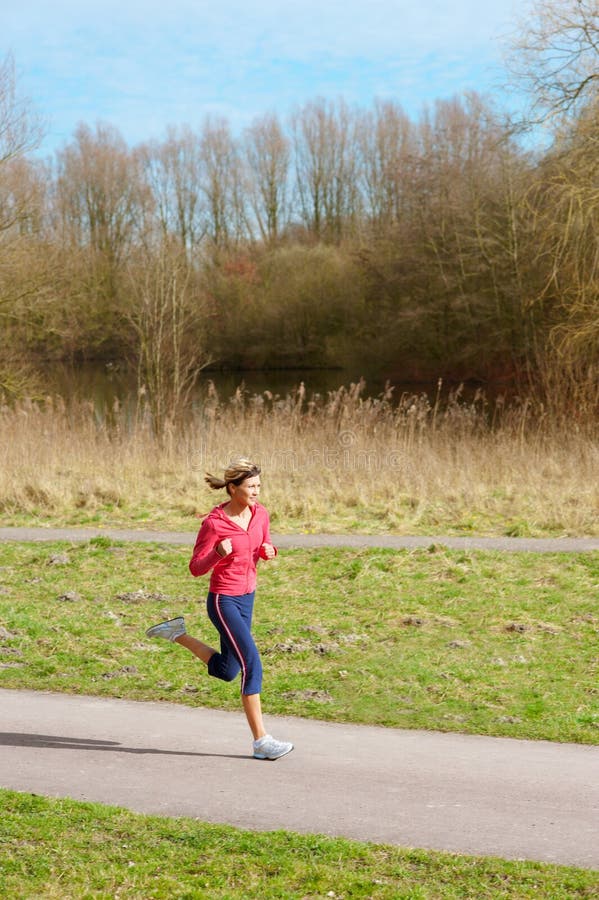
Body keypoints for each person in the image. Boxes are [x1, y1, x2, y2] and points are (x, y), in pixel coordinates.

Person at [145, 458, 293, 761]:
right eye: (251, 486)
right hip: (223, 600)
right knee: (252, 663)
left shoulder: (260, 514)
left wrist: (270, 551)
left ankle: (177, 633)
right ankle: (261, 741)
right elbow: (196, 568)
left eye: (259, 486)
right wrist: (216, 552)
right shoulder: (214, 523)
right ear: (233, 488)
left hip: (247, 598)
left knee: (227, 670)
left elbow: (264, 543)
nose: (256, 491)